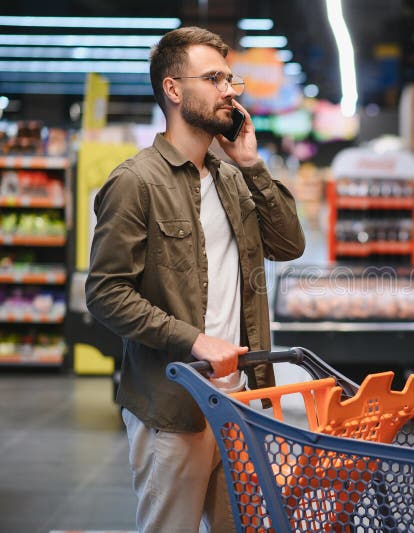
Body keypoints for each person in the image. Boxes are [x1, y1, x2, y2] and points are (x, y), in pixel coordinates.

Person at [85, 27, 305, 532]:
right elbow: (105, 293)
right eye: (213, 78)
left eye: (230, 78)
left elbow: (289, 244)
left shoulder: (232, 176)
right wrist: (195, 340)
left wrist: (251, 164)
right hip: (173, 408)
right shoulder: (137, 182)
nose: (229, 89)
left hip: (242, 401)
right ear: (174, 90)